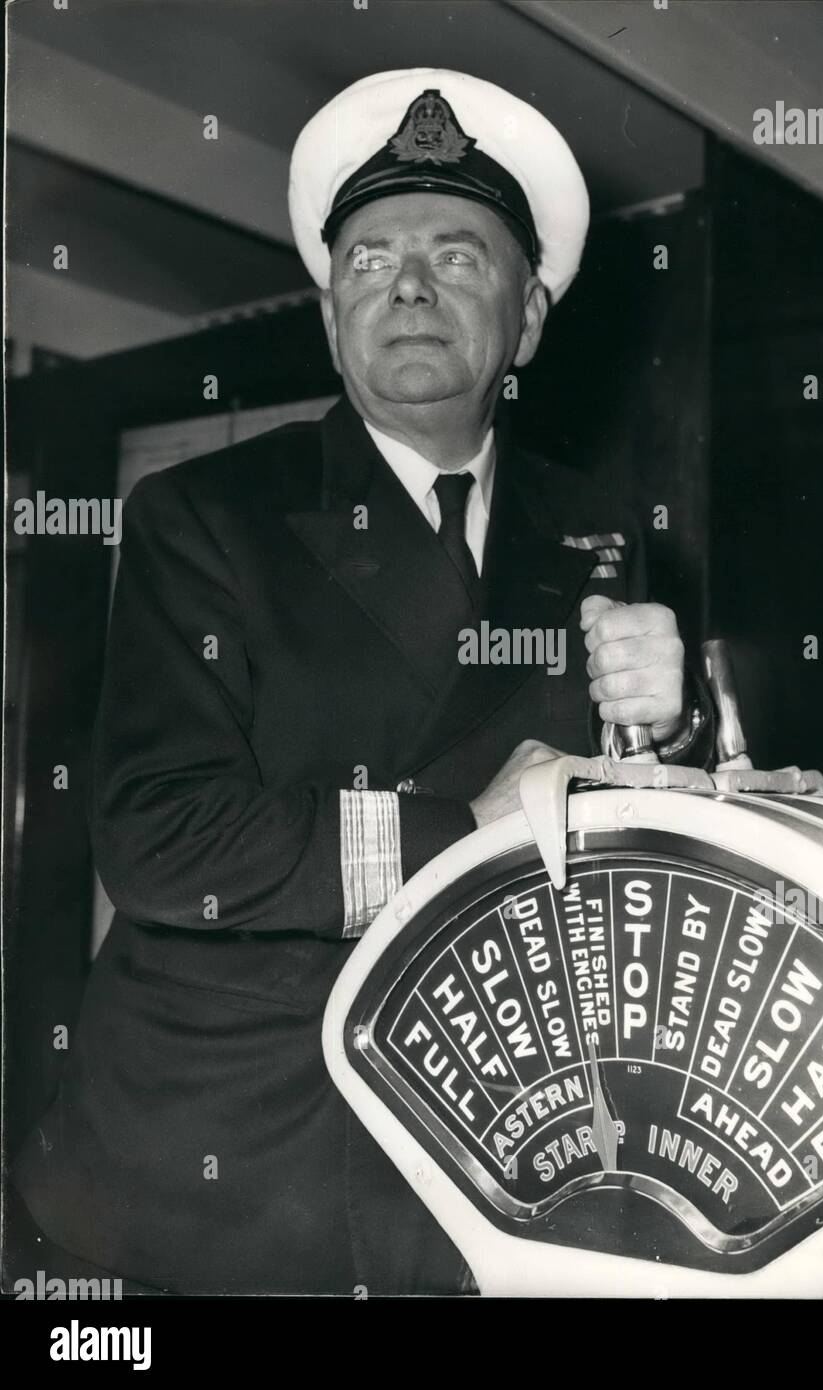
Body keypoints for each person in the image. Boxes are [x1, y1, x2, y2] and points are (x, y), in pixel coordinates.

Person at [10, 69, 714, 1295]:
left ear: (530, 319)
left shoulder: (596, 534)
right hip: (220, 1156)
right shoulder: (206, 513)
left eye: (456, 254)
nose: (407, 285)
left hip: (474, 1142)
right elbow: (160, 840)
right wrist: (465, 830)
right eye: (371, 258)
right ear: (333, 312)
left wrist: (674, 728)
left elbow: (618, 854)